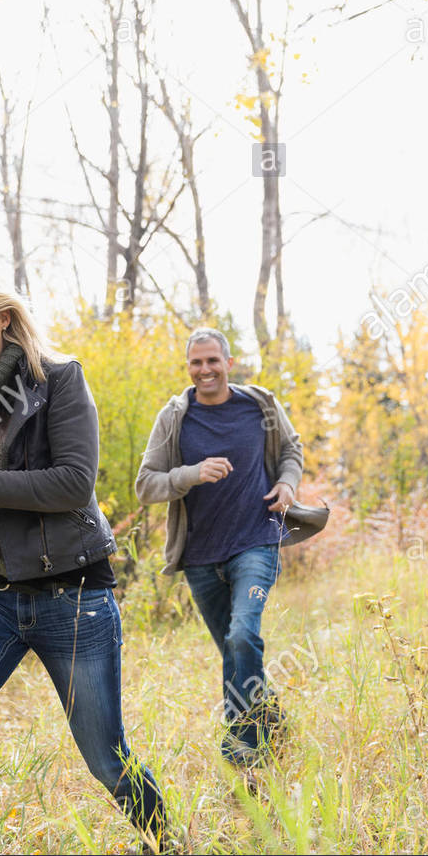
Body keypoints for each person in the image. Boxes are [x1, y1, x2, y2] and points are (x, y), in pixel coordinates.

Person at [0, 264, 167, 854]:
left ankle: (170, 844)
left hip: (72, 601)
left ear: (3, 319)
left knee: (106, 760)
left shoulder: (60, 380)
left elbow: (71, 484)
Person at [135, 327, 317, 771]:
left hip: (256, 540)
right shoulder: (174, 417)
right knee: (236, 652)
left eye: (212, 361)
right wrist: (191, 474)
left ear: (228, 363)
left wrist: (287, 483)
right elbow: (146, 486)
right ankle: (274, 724)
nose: (204, 370)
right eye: (196, 363)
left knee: (242, 635)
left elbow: (292, 449)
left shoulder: (259, 405)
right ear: (188, 367)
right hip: (200, 557)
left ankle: (243, 748)